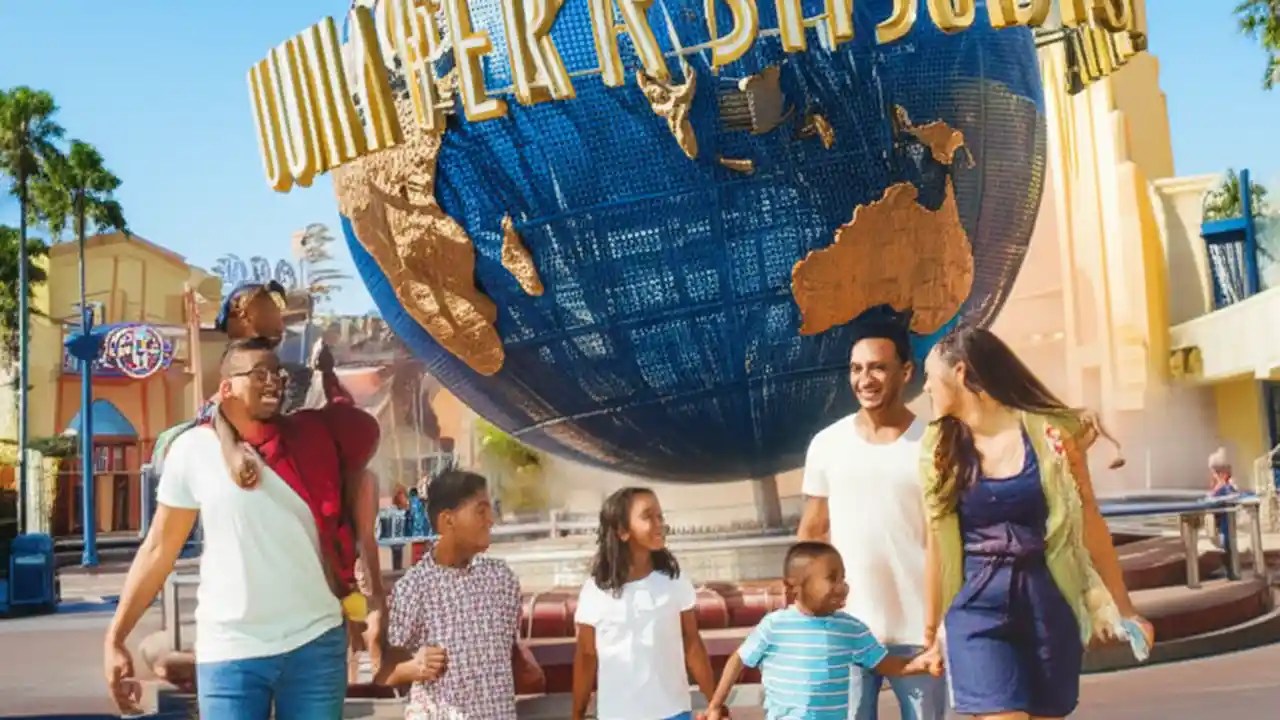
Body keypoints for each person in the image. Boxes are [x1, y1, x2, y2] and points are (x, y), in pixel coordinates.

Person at [104, 337, 380, 718]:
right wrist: (116, 637)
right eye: (259, 373)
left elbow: (361, 429)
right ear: (226, 387)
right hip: (230, 650)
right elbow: (158, 549)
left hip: (315, 645)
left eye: (278, 374)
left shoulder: (311, 436)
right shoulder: (192, 451)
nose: (273, 382)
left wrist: (330, 379)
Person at [919, 325, 1154, 720]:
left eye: (931, 377)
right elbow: (937, 545)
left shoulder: (1050, 438)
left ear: (960, 373)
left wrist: (1126, 608)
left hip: (1047, 601)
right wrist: (929, 633)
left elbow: (1089, 523)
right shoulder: (939, 448)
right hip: (976, 609)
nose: (926, 388)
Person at [796, 316, 946, 720]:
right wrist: (803, 611)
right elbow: (812, 531)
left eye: (878, 367)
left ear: (906, 372)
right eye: (856, 369)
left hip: (920, 632)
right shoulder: (827, 444)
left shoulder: (934, 443)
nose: (866, 379)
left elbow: (946, 541)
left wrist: (942, 627)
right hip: (847, 631)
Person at [704, 542, 939, 720]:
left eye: (843, 578)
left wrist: (920, 664)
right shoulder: (775, 626)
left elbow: (886, 664)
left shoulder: (851, 630)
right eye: (832, 579)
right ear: (793, 587)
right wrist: (716, 703)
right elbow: (739, 659)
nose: (842, 586)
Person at [375, 470, 529, 719]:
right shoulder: (415, 588)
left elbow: (508, 647)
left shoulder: (502, 579)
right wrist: (415, 667)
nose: (491, 520)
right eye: (481, 510)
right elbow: (384, 671)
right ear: (448, 520)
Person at [571, 487, 717, 720]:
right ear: (622, 531)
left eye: (660, 516)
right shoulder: (595, 591)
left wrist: (715, 701)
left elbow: (692, 644)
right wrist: (577, 713)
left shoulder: (674, 581)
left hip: (673, 712)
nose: (659, 523)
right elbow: (586, 656)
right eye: (648, 516)